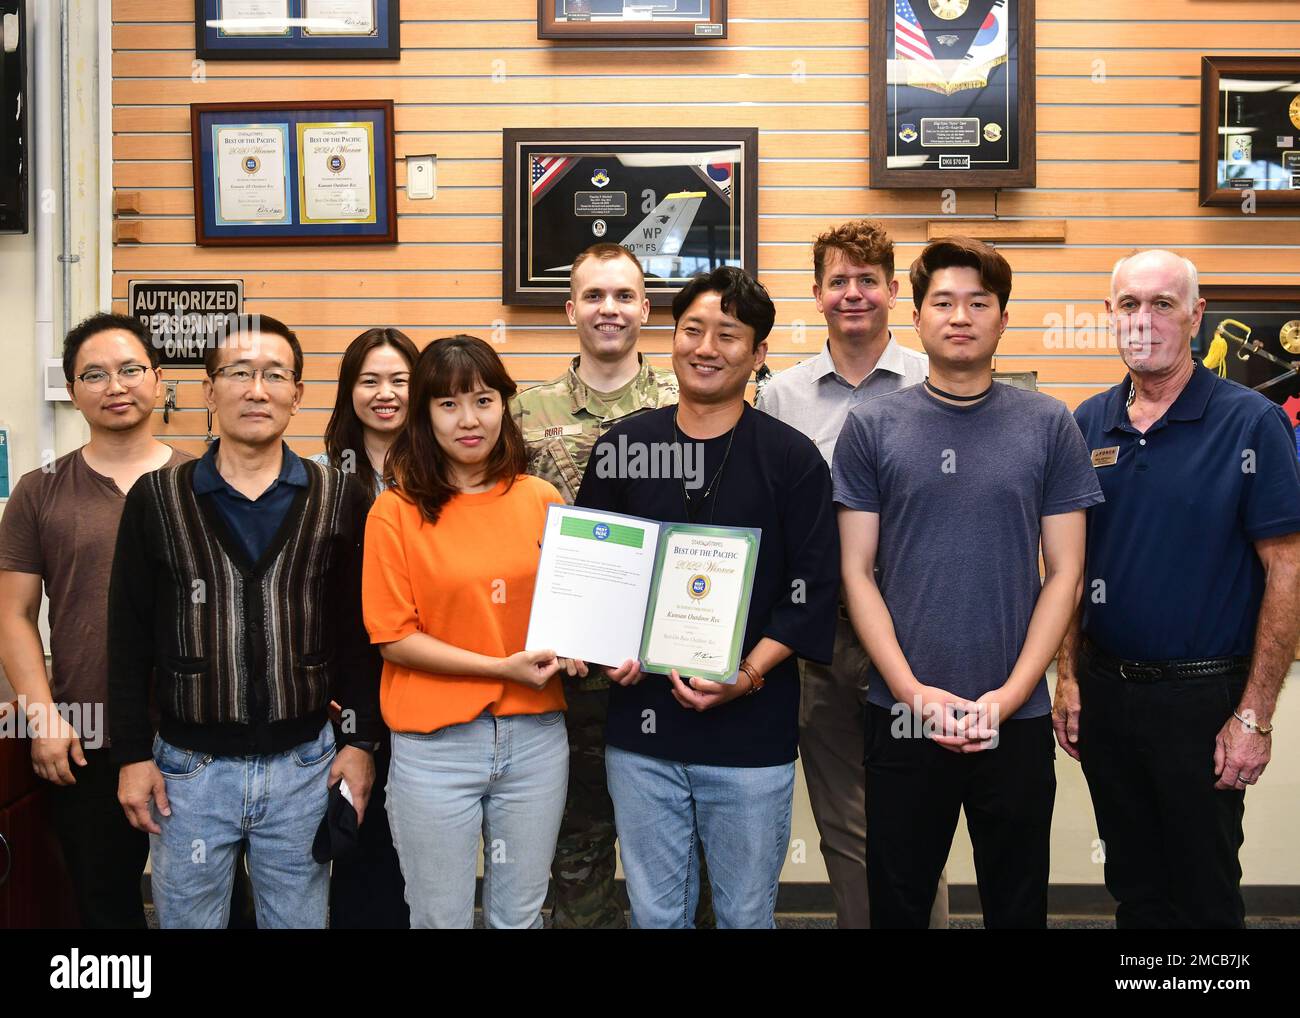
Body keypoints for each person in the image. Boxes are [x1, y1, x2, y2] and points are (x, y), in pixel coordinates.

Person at [834, 237, 1103, 929]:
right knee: (897, 903)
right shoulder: (871, 426)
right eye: (943, 302)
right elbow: (855, 571)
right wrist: (911, 690)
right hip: (900, 711)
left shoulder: (1048, 424)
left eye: (979, 302)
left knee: (1017, 904)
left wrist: (1014, 695)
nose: (960, 316)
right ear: (917, 317)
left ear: (1003, 319)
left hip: (1015, 718)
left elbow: (1066, 572)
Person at [575, 267, 839, 928]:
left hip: (751, 733)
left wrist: (745, 675)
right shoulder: (625, 448)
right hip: (642, 731)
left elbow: (812, 593)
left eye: (728, 335)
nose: (706, 347)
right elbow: (592, 577)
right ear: (672, 338)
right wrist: (611, 652)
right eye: (692, 329)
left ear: (757, 354)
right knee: (656, 914)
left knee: (746, 915)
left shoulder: (792, 459)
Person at [108, 315, 382, 929]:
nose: (256, 390)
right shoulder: (156, 499)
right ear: (209, 390)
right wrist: (130, 754)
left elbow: (359, 641)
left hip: (305, 766)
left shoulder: (341, 499)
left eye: (274, 375)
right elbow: (126, 640)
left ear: (297, 394)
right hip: (187, 773)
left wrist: (361, 743)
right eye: (238, 373)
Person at [1055, 249, 1300, 929]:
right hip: (1107, 694)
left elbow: (1288, 567)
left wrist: (1254, 715)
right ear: (1110, 317)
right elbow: (1070, 569)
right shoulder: (1087, 424)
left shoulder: (1251, 423)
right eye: (1129, 305)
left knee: (1204, 891)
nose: (1145, 320)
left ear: (1196, 315)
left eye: (1163, 304)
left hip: (1204, 699)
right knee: (1134, 888)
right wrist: (1068, 678)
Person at [364, 335, 624, 928]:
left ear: (504, 406)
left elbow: (568, 612)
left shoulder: (540, 499)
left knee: (521, 916)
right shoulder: (395, 512)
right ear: (424, 417)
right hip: (436, 748)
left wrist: (579, 649)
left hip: (535, 739)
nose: (468, 420)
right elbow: (393, 637)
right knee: (440, 918)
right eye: (448, 405)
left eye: (482, 400)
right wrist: (498, 668)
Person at [512, 242, 714, 929]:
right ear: (570, 309)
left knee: (689, 854)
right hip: (569, 679)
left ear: (645, 309)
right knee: (578, 850)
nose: (609, 309)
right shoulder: (522, 413)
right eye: (594, 295)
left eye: (624, 296)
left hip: (671, 669)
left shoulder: (688, 403)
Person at [756, 219, 947, 930]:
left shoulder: (937, 379)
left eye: (869, 280)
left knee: (916, 817)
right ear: (816, 294)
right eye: (838, 281)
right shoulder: (782, 398)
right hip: (824, 639)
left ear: (895, 291)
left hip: (920, 629)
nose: (854, 294)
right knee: (843, 821)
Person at [0, 313, 186, 928]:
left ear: (158, 380)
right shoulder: (39, 490)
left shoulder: (203, 481)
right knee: (101, 906)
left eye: (131, 369)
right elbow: (14, 613)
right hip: (85, 733)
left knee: (203, 904)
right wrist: (41, 715)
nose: (116, 385)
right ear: (73, 390)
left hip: (198, 735)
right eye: (94, 374)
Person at [312, 327, 419, 929]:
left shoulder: (448, 478)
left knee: (422, 854)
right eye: (369, 380)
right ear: (348, 391)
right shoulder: (322, 482)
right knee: (358, 841)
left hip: (429, 685)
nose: (385, 394)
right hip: (349, 693)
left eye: (400, 381)